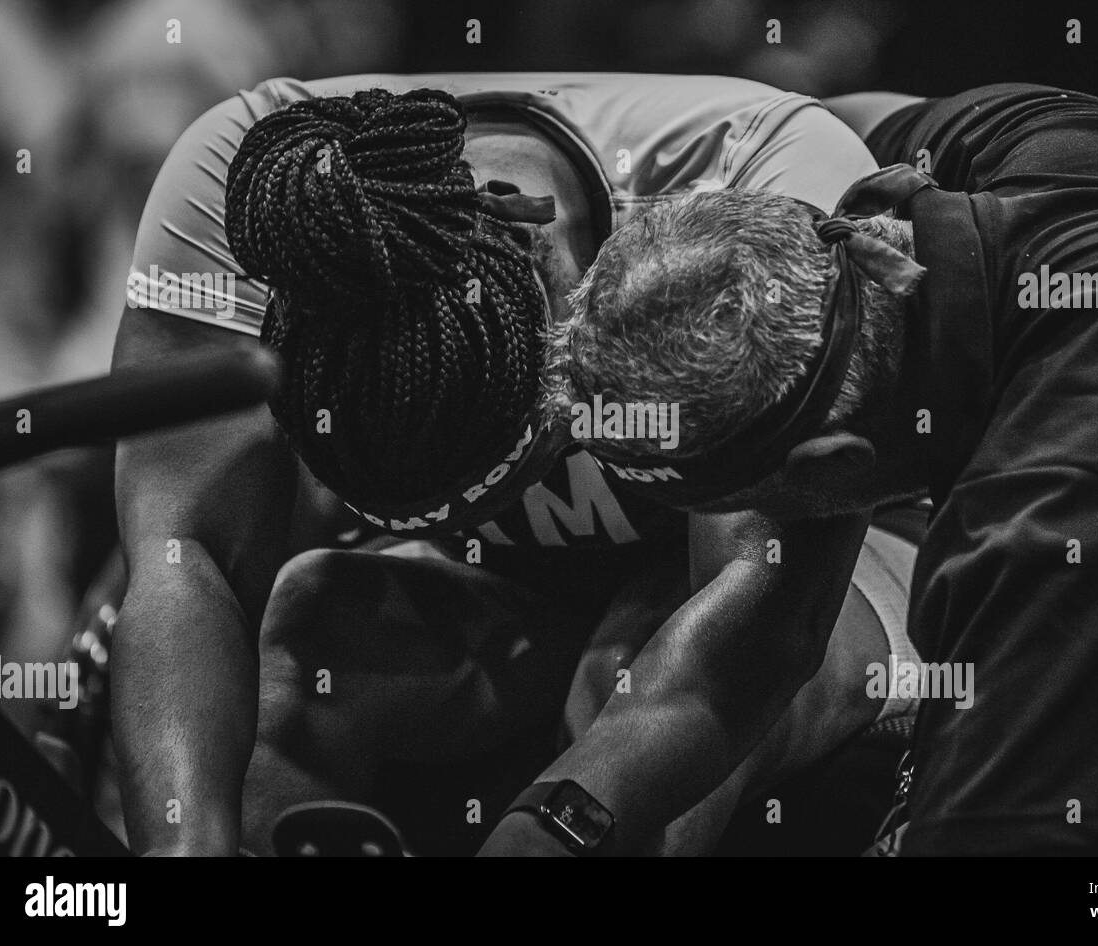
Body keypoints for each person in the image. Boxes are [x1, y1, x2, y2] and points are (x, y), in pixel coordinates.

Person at [112, 72, 922, 856]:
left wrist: (551, 831)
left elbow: (768, 616)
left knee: (631, 677)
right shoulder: (251, 189)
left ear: (555, 290)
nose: (479, 524)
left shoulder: (762, 188)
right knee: (301, 641)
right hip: (531, 602)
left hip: (844, 569)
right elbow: (186, 559)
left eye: (516, 472)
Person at [546, 82, 1098, 855]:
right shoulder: (999, 134)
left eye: (735, 511)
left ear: (834, 465)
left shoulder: (1049, 525)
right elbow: (838, 115)